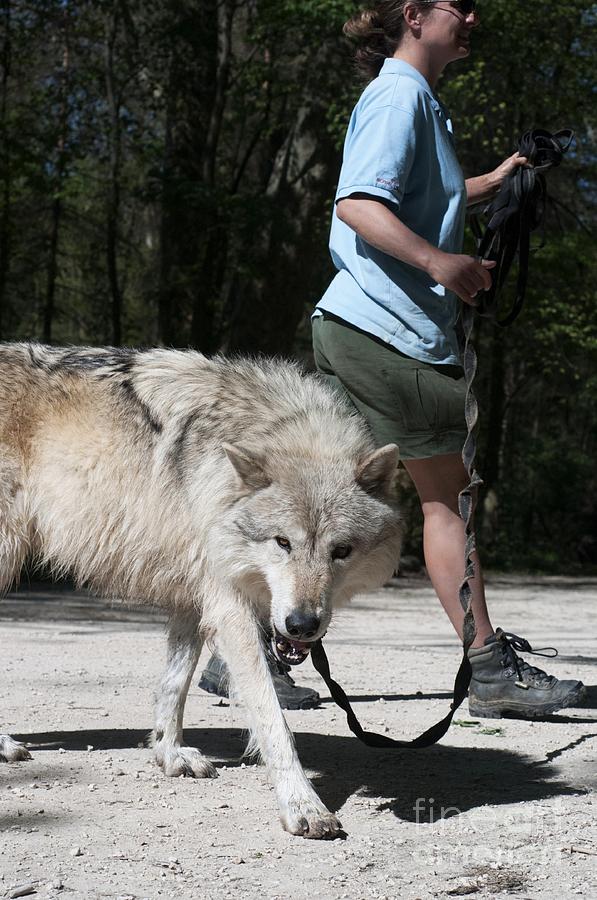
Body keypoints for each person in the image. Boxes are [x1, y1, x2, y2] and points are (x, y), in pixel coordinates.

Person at [200, 0, 584, 717]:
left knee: (322, 497)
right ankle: (490, 671)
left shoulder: (414, 99)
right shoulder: (399, 95)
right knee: (449, 501)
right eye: (457, 6)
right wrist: (440, 262)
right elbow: (356, 206)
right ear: (413, 14)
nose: (471, 17)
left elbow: (411, 201)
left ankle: (242, 655)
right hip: (387, 330)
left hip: (363, 326)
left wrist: (489, 185)